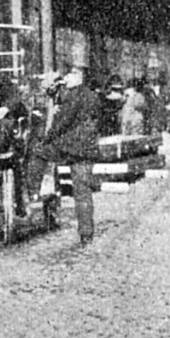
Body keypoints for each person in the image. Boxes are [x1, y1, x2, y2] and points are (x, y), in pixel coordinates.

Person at [24, 67, 100, 244]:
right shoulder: (90, 95)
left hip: (70, 146)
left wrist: (47, 137)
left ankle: (34, 191)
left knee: (37, 152)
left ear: (79, 77)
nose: (66, 79)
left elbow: (63, 121)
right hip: (86, 149)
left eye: (69, 76)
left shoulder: (74, 95)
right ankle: (86, 233)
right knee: (83, 192)